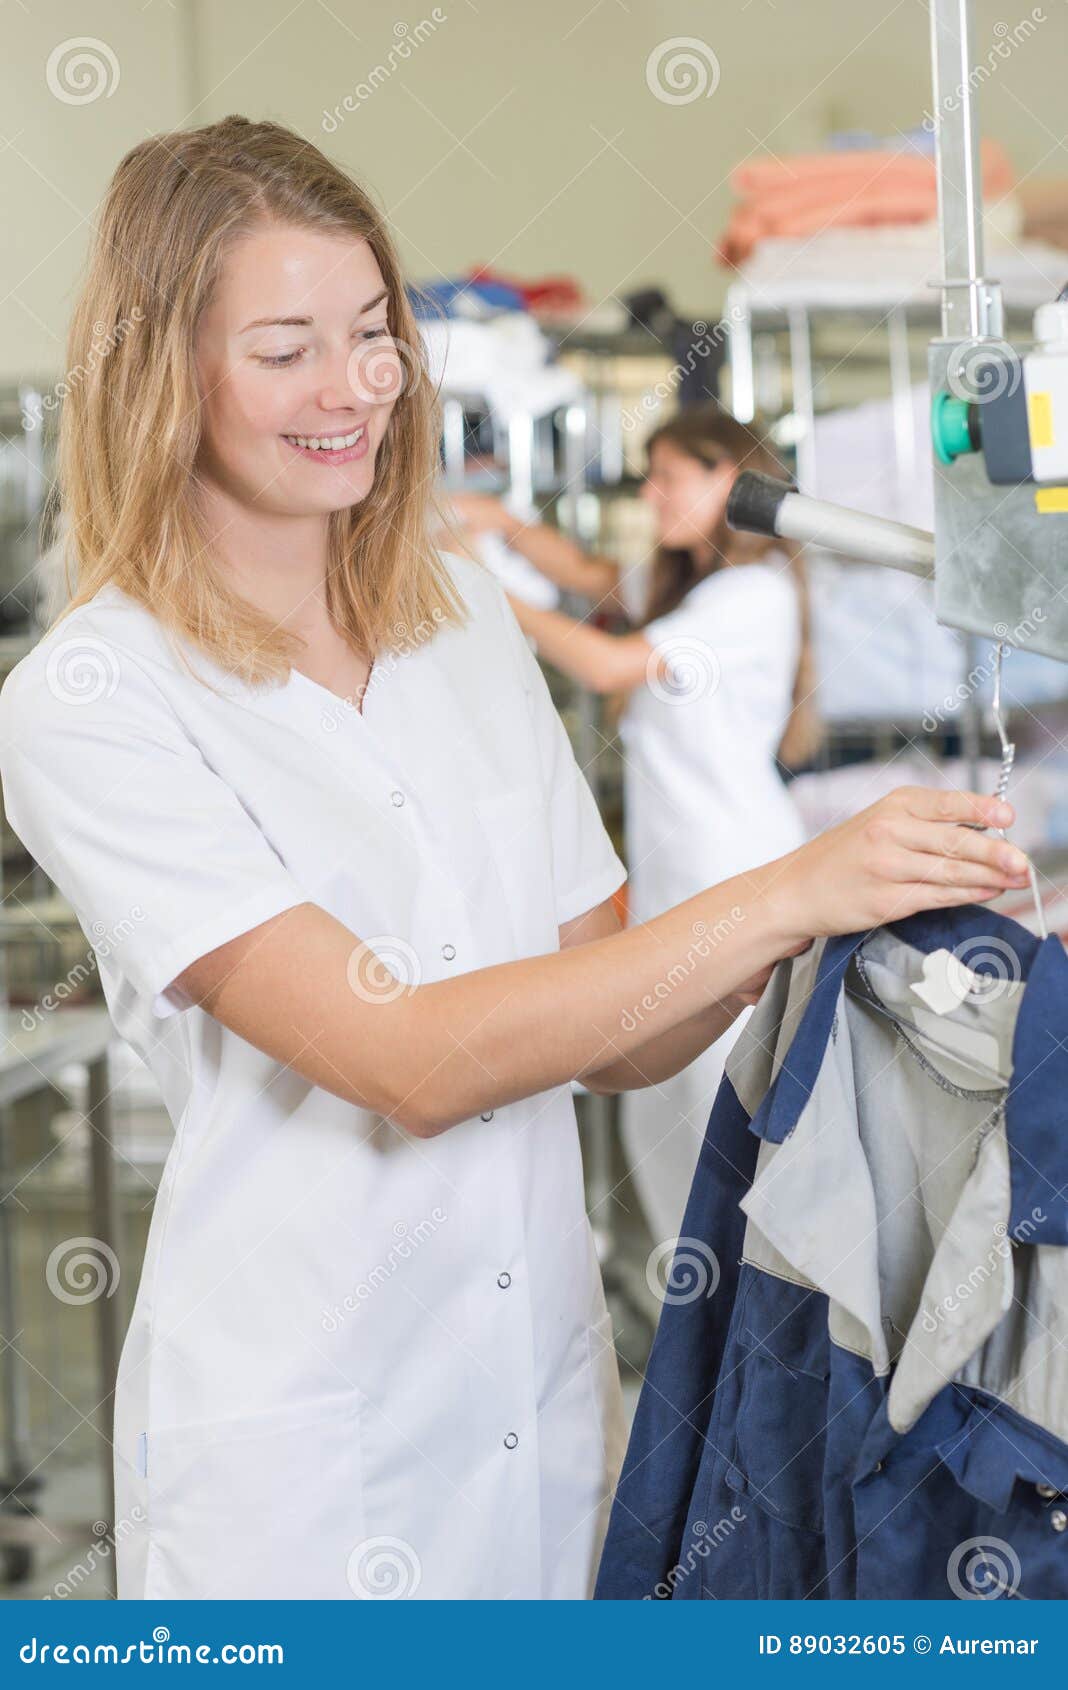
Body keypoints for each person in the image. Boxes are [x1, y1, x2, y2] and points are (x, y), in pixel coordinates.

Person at [0, 117, 1031, 1602]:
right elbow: (407, 1059)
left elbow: (612, 1021)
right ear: (162, 370)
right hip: (300, 1451)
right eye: (287, 346)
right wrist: (791, 885)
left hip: (539, 1412)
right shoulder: (94, 698)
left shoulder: (459, 624)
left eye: (374, 332)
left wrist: (883, 926)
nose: (355, 385)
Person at [447, 407, 816, 1245]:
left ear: (729, 480)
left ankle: (736, 1328)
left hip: (733, 865)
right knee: (663, 1111)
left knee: (719, 1113)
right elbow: (586, 573)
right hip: (677, 878)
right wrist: (501, 524)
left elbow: (606, 660)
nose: (651, 495)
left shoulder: (750, 595)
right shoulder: (687, 587)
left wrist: (481, 583)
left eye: (667, 479)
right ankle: (693, 1324)